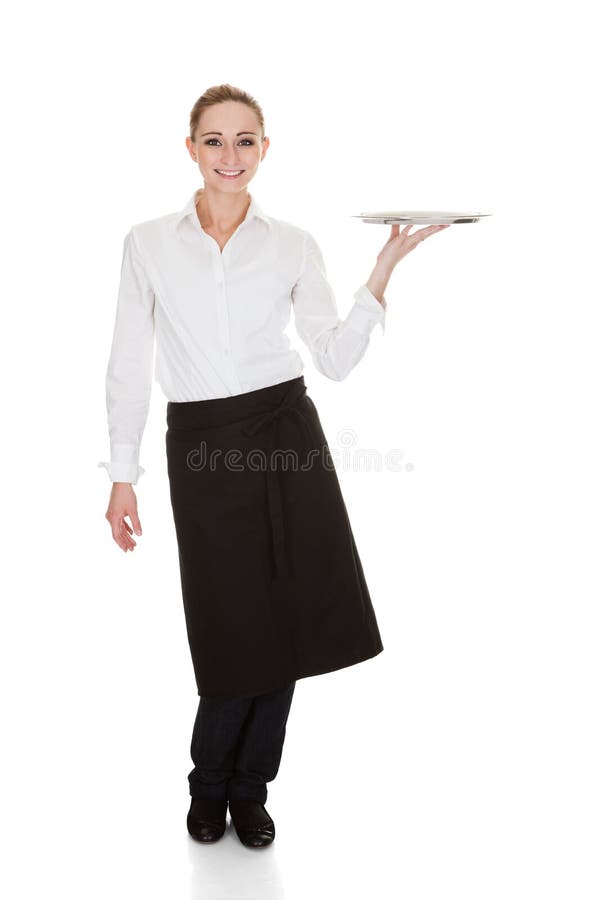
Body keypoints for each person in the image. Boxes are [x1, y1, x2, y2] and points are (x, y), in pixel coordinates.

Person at [98, 83, 450, 849]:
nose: (231, 155)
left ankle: (252, 790)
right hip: (201, 444)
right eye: (216, 140)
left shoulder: (292, 243)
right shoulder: (147, 242)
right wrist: (122, 471)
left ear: (265, 148)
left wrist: (383, 270)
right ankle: (208, 786)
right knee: (231, 625)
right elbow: (130, 358)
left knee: (288, 620)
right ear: (190, 148)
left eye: (245, 140)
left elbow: (333, 358)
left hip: (287, 434)